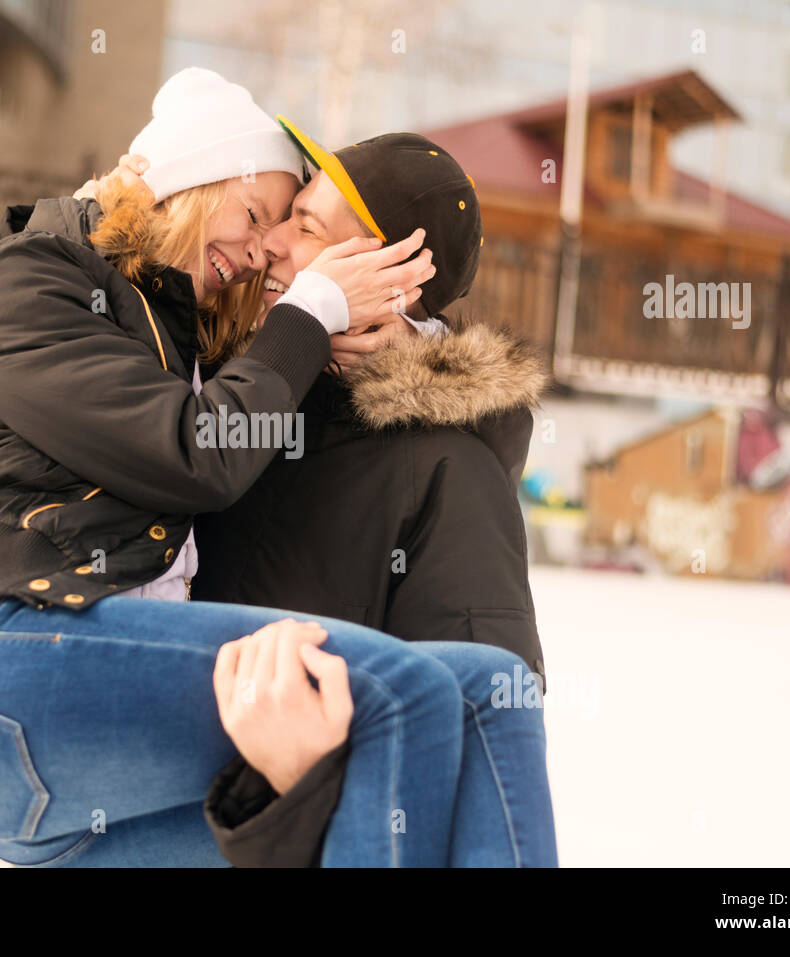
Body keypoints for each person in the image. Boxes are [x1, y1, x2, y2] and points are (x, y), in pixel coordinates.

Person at [0, 67, 547, 867]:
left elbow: (424, 406)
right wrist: (315, 311)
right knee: (395, 696)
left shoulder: (212, 345)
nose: (266, 246)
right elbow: (203, 449)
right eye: (258, 213)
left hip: (133, 758)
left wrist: (410, 343)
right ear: (189, 180)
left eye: (294, 226)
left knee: (469, 699)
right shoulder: (35, 279)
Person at [183, 121, 556, 867]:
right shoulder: (227, 396)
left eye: (308, 225)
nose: (274, 245)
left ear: (396, 277)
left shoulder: (447, 469)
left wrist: (305, 786)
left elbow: (475, 757)